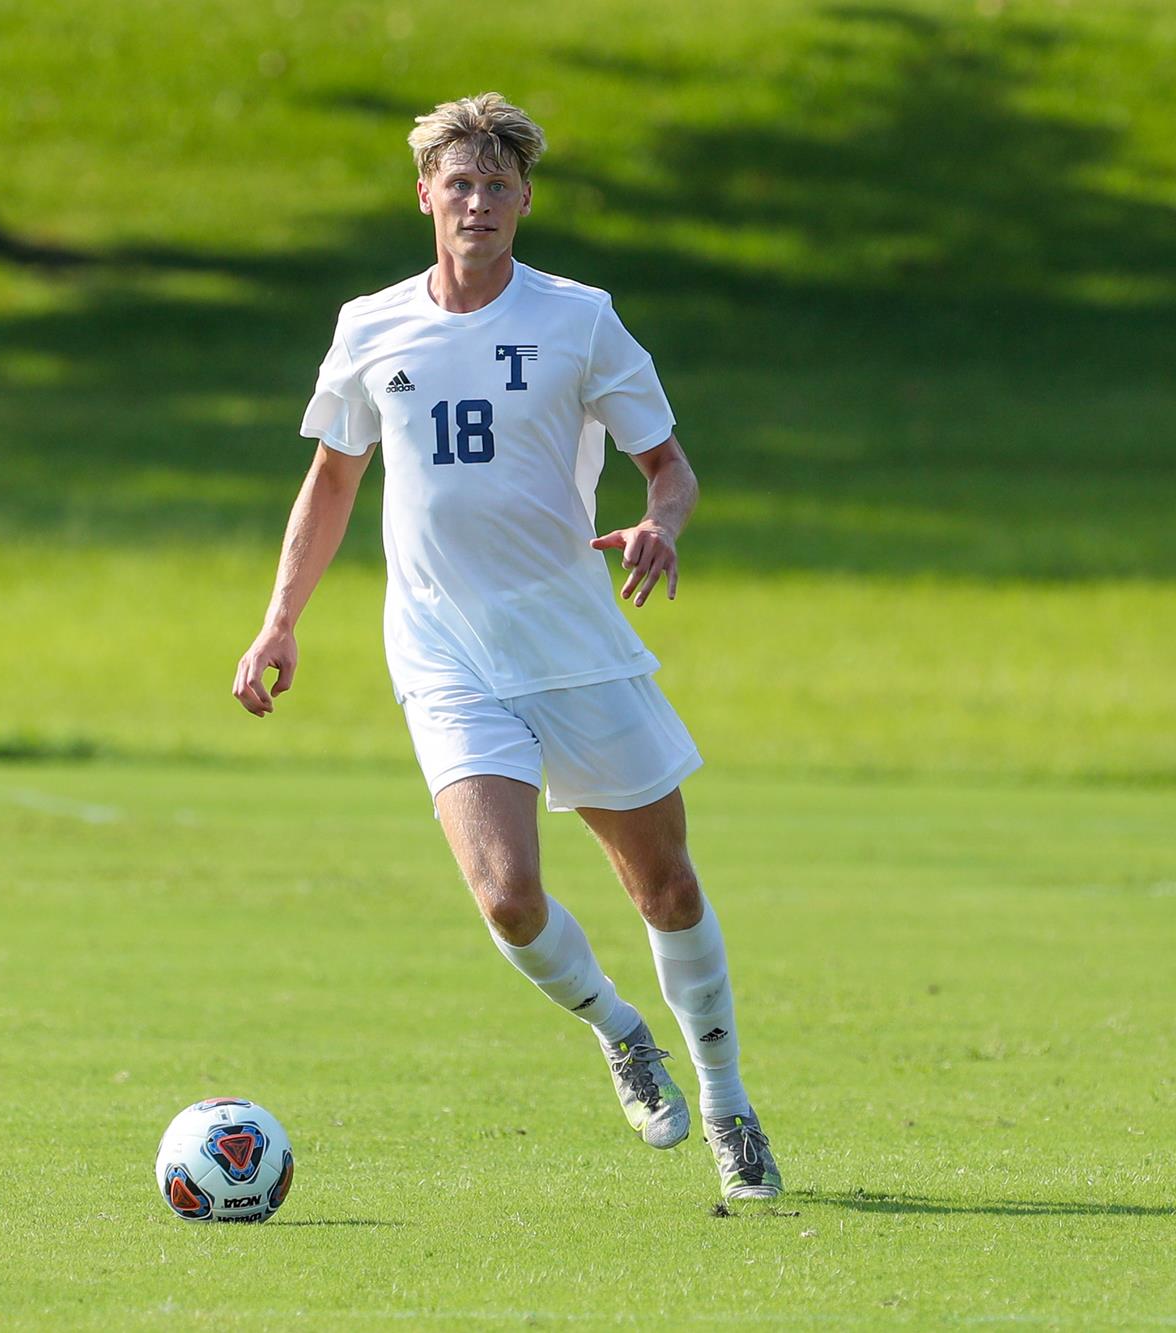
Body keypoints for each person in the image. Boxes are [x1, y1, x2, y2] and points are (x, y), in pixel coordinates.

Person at [231, 93, 779, 1200]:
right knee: (509, 901)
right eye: (458, 183)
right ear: (424, 196)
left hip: (573, 641)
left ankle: (728, 1104)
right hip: (444, 653)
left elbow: (668, 467)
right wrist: (280, 618)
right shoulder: (369, 326)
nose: (476, 202)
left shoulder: (580, 319)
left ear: (524, 200)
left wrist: (660, 527)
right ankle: (620, 1030)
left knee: (665, 888)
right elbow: (332, 479)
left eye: (496, 185)